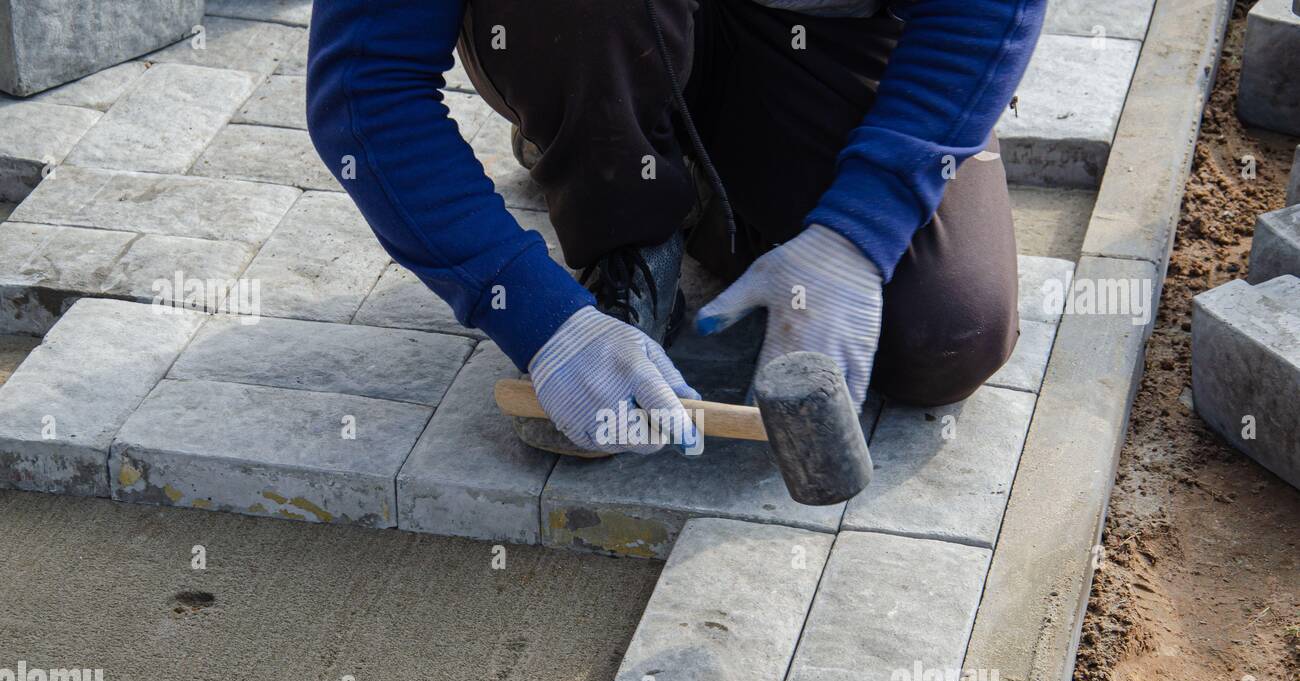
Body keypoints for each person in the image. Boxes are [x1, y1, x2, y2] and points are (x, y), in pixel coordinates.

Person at [307, 0, 1045, 454]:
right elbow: (363, 87)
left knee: (943, 334)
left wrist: (858, 228)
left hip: (811, 38)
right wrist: (537, 316)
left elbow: (983, 8)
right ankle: (617, 200)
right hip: (589, 25)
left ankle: (643, 153)